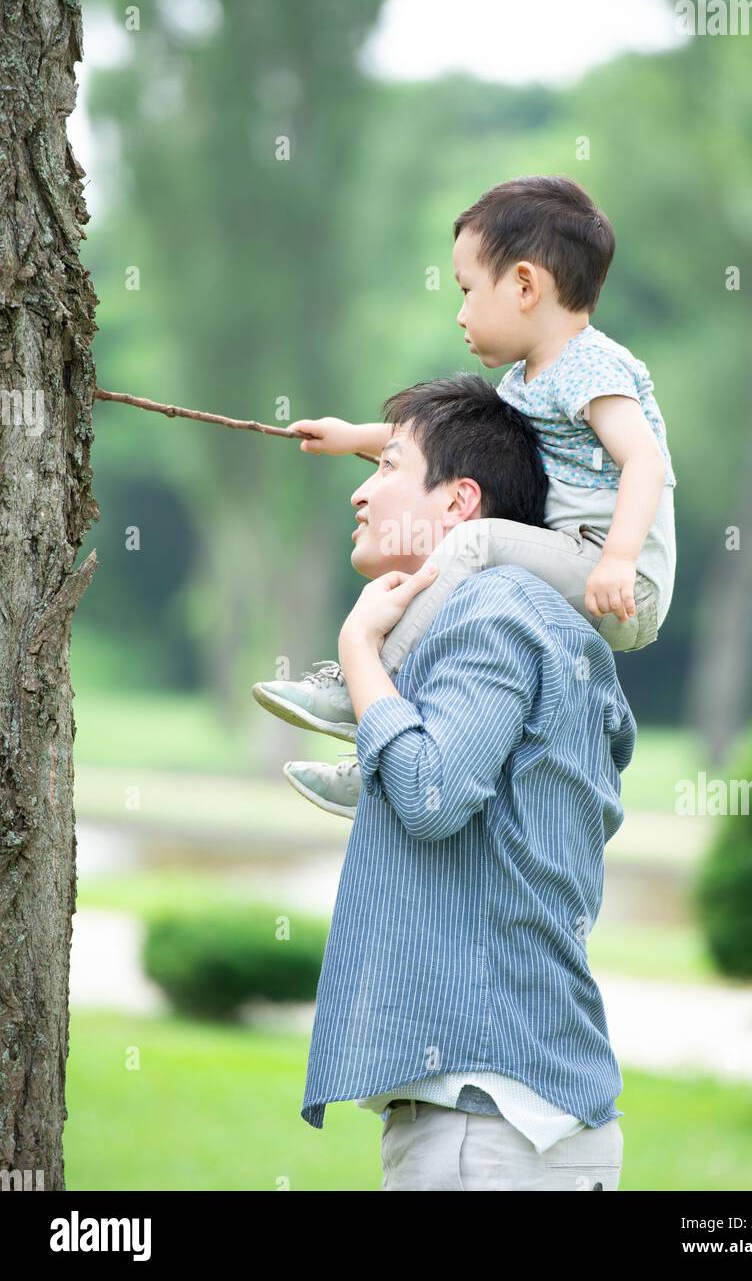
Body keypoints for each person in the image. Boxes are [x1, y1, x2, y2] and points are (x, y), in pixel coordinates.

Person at [296, 374, 635, 1190]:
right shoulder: (521, 615)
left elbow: (430, 795)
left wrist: (357, 654)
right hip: (504, 1117)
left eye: (388, 467)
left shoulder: (493, 610)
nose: (360, 492)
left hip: (489, 1125)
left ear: (458, 507)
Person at [253, 173, 674, 820]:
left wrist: (619, 559)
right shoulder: (526, 382)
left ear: (526, 286)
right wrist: (349, 438)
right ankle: (375, 765)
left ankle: (366, 686)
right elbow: (445, 443)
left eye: (467, 290)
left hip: (617, 577)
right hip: (574, 560)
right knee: (458, 595)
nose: (460, 313)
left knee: (471, 542)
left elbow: (643, 459)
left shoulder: (592, 367)